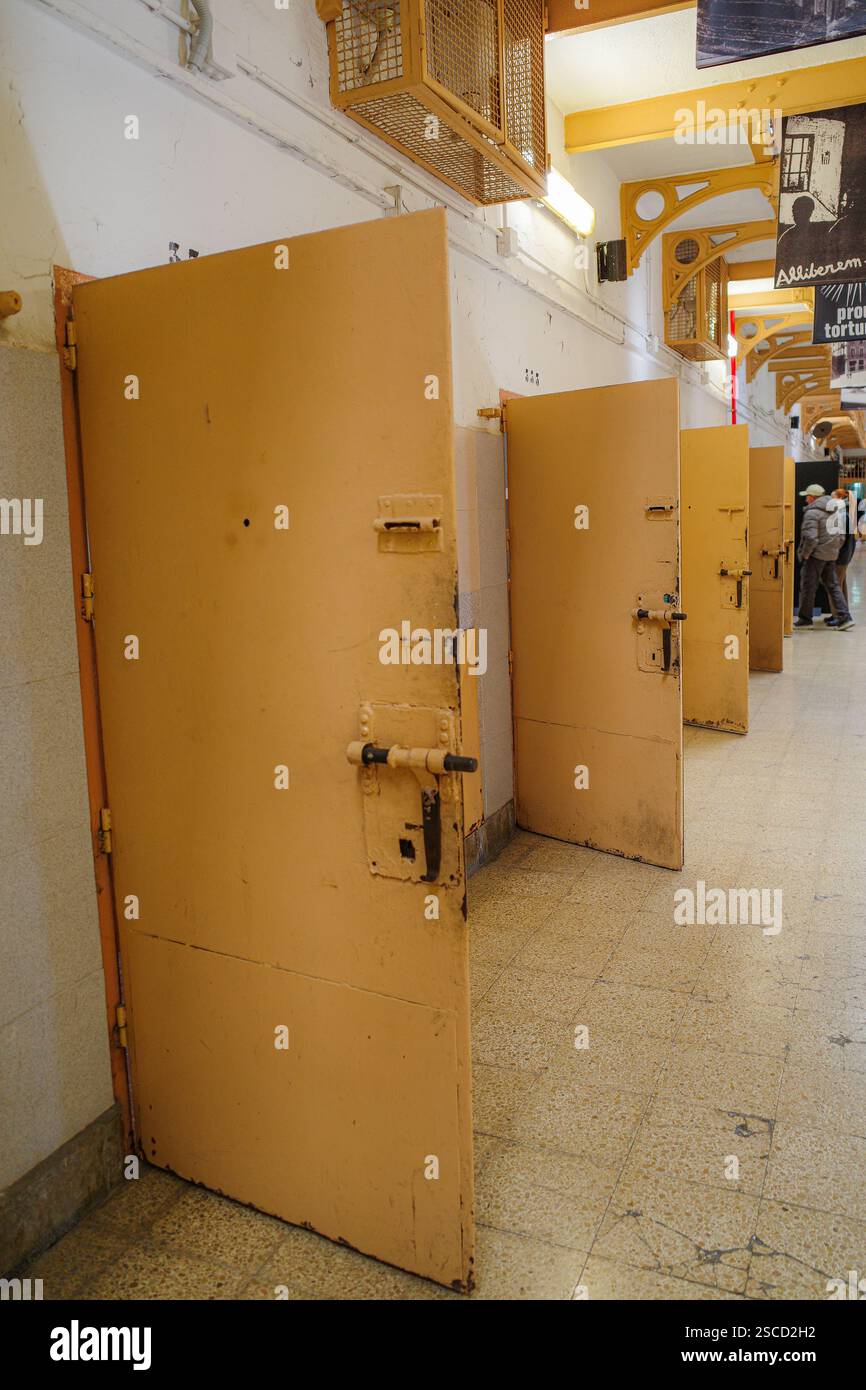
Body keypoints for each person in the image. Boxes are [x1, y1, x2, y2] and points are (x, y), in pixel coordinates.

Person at [795, 484, 855, 630]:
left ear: (812, 497)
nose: (806, 500)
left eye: (807, 497)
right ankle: (844, 617)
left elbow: (811, 538)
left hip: (815, 556)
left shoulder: (812, 513)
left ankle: (805, 619)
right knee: (834, 586)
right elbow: (841, 536)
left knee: (808, 587)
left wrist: (805, 554)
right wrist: (833, 550)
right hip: (831, 555)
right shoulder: (834, 511)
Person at [823, 489, 857, 627]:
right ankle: (840, 612)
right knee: (841, 585)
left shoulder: (841, 516)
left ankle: (839, 616)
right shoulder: (845, 515)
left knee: (834, 586)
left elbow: (840, 540)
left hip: (839, 557)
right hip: (845, 556)